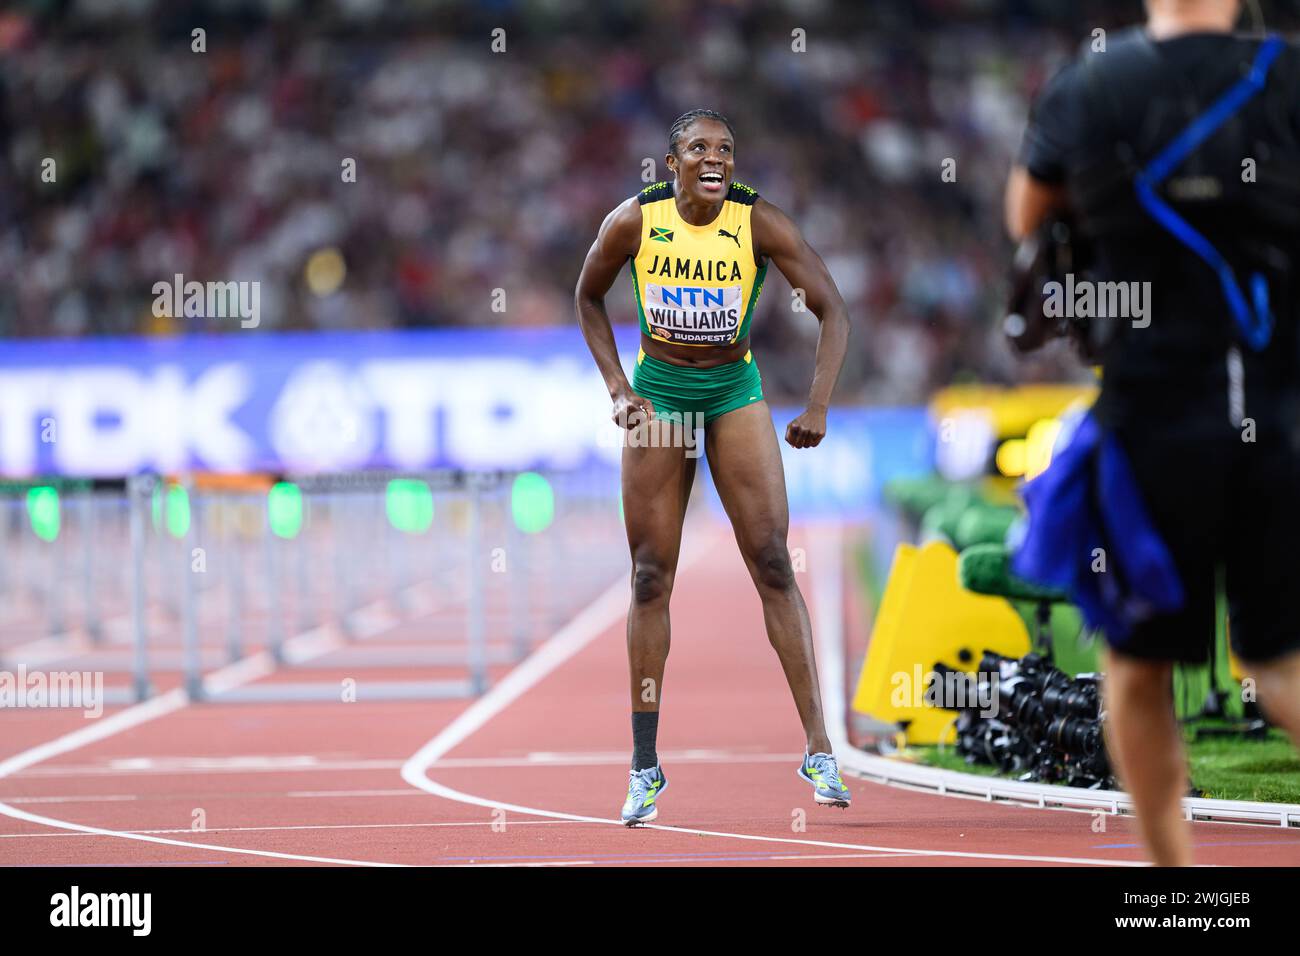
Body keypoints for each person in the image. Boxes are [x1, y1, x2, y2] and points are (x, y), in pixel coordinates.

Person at [1006, 0, 1300, 865]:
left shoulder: (1088, 86)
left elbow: (1026, 219)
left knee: (1138, 668)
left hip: (1152, 418)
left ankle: (1176, 882)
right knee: (1280, 661)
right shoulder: (1289, 76)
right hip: (1281, 409)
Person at [575, 108, 852, 825]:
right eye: (699, 148)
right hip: (660, 393)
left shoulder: (759, 223)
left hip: (733, 392)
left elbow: (833, 309)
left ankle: (820, 749)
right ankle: (644, 766)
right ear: (672, 163)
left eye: (726, 149)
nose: (716, 158)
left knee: (773, 563)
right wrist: (618, 389)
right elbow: (587, 296)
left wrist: (818, 404)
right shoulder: (635, 221)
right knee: (648, 575)